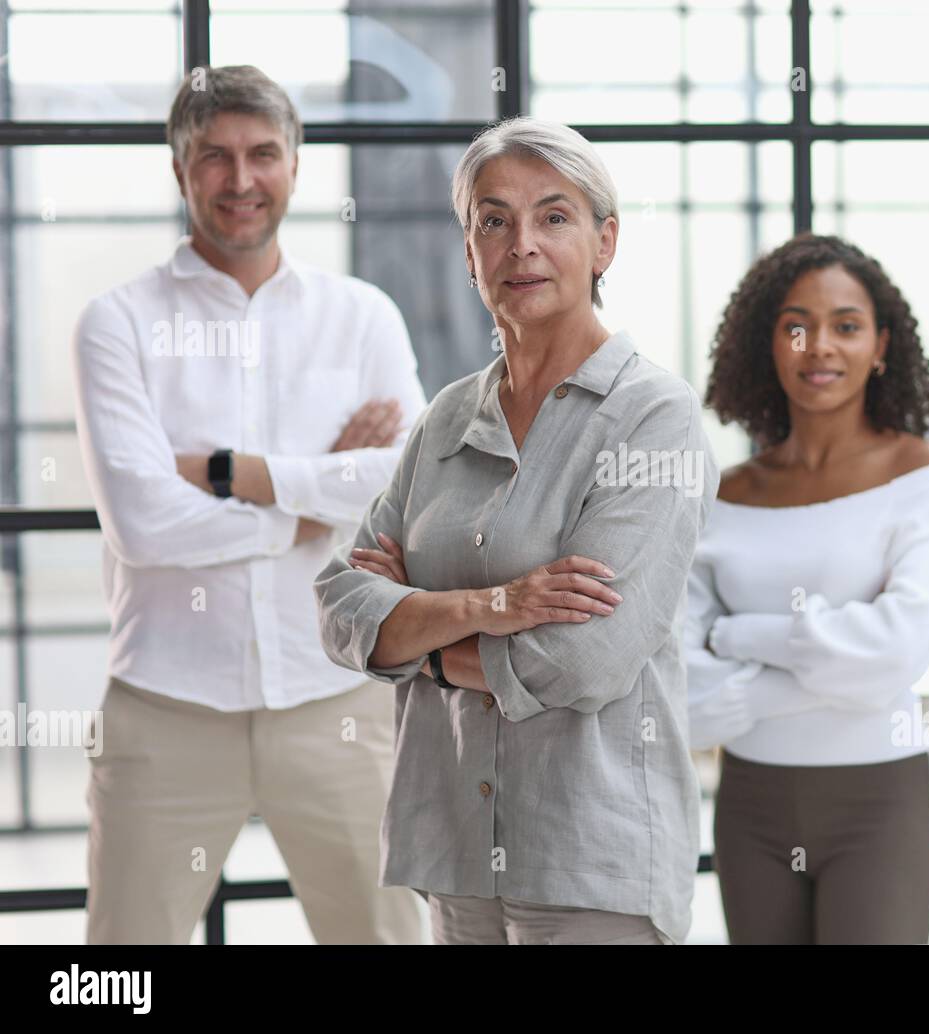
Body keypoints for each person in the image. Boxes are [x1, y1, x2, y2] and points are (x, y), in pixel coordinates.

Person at [314, 115, 718, 945]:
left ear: (605, 243)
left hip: (591, 857)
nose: (521, 244)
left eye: (554, 216)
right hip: (455, 846)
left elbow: (582, 662)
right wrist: (496, 604)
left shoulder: (654, 420)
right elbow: (342, 605)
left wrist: (418, 636)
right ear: (469, 254)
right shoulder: (445, 420)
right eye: (493, 221)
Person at [71, 65, 427, 944]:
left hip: (337, 699)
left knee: (386, 939)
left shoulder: (363, 316)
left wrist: (235, 475)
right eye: (214, 157)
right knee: (123, 965)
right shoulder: (115, 323)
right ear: (180, 169)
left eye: (263, 153)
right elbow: (145, 524)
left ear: (296, 164)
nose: (241, 180)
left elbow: (410, 493)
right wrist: (318, 502)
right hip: (167, 707)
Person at [686, 233, 929, 944]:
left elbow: (900, 650)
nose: (820, 348)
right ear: (767, 343)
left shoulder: (926, 475)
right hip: (749, 803)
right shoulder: (722, 495)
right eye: (796, 327)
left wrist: (740, 636)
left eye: (846, 326)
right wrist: (842, 666)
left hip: (878, 802)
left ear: (880, 347)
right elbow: (680, 690)